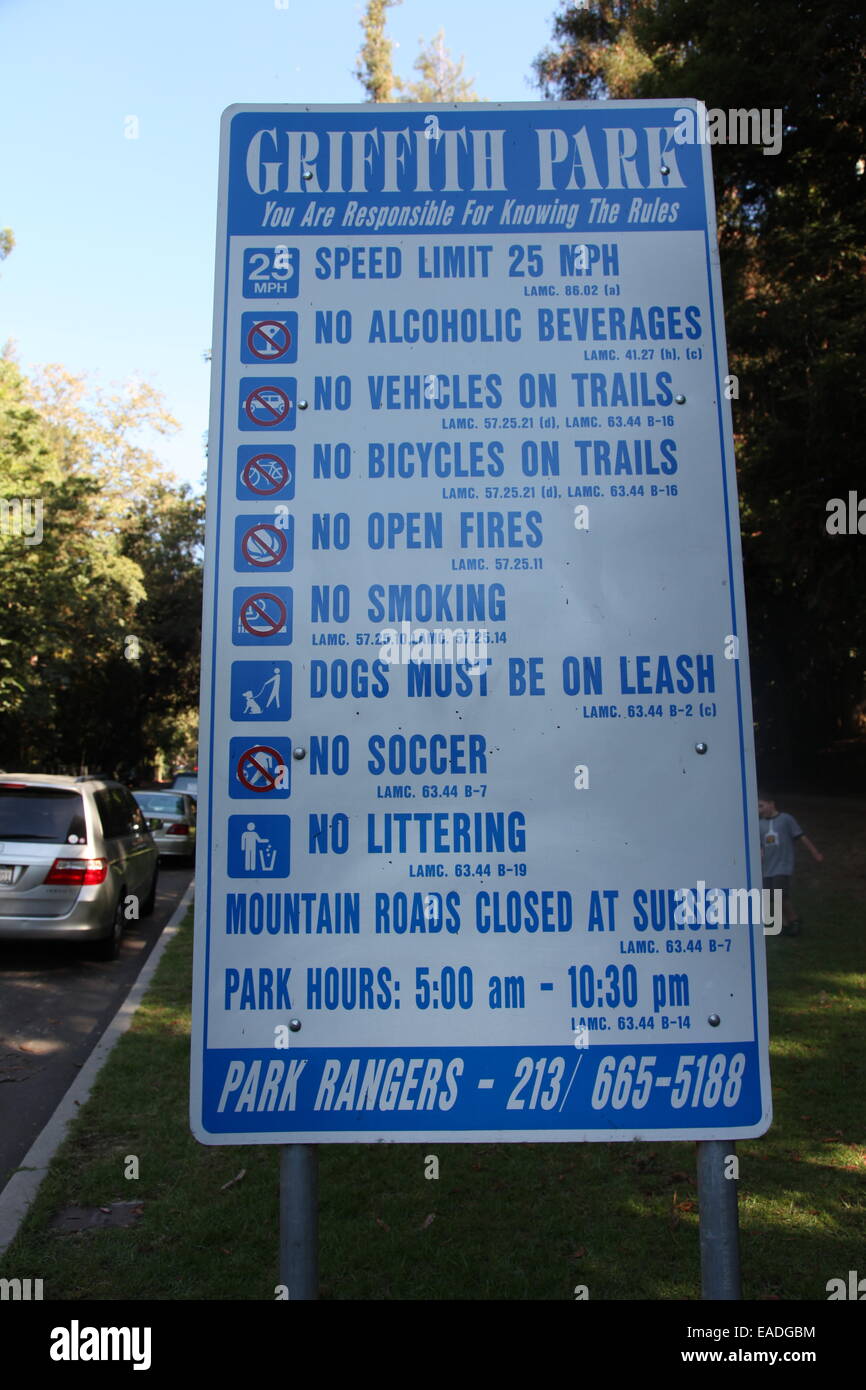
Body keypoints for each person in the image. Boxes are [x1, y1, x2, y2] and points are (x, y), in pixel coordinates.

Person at [758, 794, 823, 936]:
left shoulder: (785, 819)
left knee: (779, 894)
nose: (759, 810)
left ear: (771, 803)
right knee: (770, 896)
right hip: (767, 867)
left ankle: (794, 919)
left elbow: (801, 836)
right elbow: (760, 845)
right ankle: (785, 924)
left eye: (761, 805)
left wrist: (815, 852)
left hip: (782, 865)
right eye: (757, 807)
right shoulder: (760, 824)